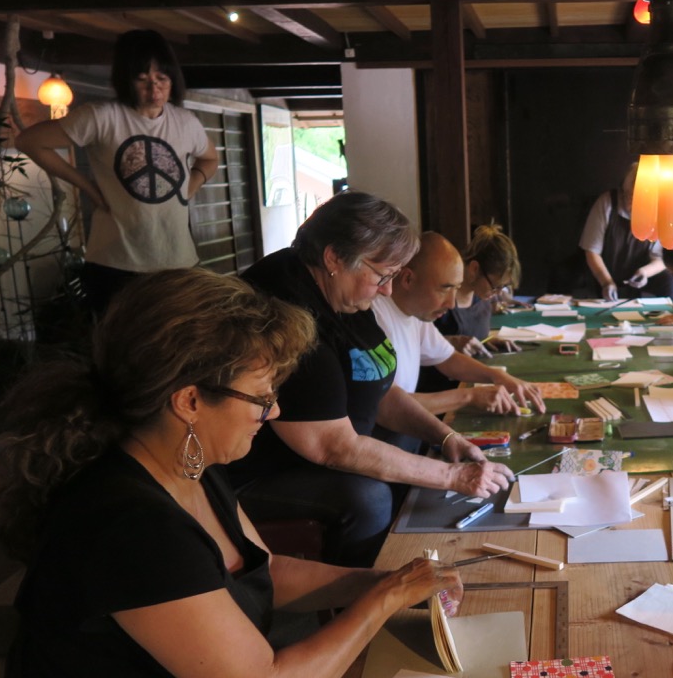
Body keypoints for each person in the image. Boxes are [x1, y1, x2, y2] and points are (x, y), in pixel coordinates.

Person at [0, 268, 464, 678]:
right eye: (261, 397)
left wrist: (373, 580)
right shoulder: (127, 524)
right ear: (188, 401)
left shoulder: (189, 468)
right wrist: (385, 599)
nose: (274, 410)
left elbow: (263, 570)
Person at [230, 192, 512, 567]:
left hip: (325, 447)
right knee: (369, 497)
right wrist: (454, 477)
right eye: (383, 276)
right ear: (334, 258)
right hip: (260, 471)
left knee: (409, 443)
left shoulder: (344, 294)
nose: (388, 291)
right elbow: (331, 447)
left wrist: (446, 438)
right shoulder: (287, 310)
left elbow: (378, 391)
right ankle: (356, 592)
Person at [15, 30, 219, 315]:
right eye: (143, 80)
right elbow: (29, 141)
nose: (155, 90)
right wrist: (87, 187)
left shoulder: (186, 122)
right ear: (125, 80)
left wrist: (191, 185)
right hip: (115, 265)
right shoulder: (101, 116)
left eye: (162, 79)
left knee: (178, 350)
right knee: (119, 351)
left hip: (179, 261)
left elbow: (210, 158)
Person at [372, 231, 546, 418]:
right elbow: (389, 407)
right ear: (408, 279)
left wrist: (497, 376)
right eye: (445, 289)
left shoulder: (416, 313)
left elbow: (447, 358)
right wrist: (468, 396)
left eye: (456, 289)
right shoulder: (375, 320)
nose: (451, 304)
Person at [579, 163, 673, 302]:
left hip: (639, 273)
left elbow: (662, 259)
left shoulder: (660, 212)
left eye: (639, 200)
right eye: (630, 196)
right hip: (603, 272)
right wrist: (607, 282)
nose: (632, 203)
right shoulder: (607, 203)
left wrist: (644, 273)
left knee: (672, 286)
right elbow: (591, 251)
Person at [433, 223, 525, 358]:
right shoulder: (440, 299)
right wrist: (450, 342)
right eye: (495, 286)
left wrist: (485, 341)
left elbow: (473, 337)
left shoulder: (481, 295)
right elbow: (419, 342)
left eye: (502, 287)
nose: (499, 293)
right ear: (474, 269)